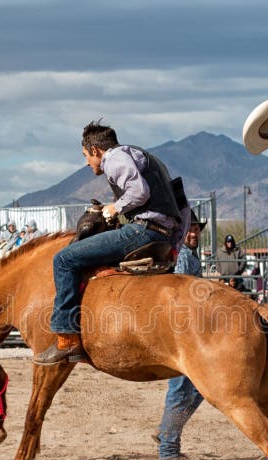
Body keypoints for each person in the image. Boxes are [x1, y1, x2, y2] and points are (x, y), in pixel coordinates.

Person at [33, 120, 181, 366]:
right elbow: (180, 208)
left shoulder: (114, 157)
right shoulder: (148, 159)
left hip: (144, 230)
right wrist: (175, 246)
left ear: (95, 150)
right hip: (162, 233)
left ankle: (67, 338)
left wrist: (115, 208)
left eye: (85, 156)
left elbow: (139, 192)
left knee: (64, 259)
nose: (86, 162)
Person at [155, 210, 207, 460]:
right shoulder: (185, 258)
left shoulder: (189, 256)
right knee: (183, 388)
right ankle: (168, 445)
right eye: (191, 229)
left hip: (187, 332)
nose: (194, 233)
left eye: (196, 229)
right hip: (184, 333)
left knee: (195, 388)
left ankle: (168, 430)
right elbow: (184, 297)